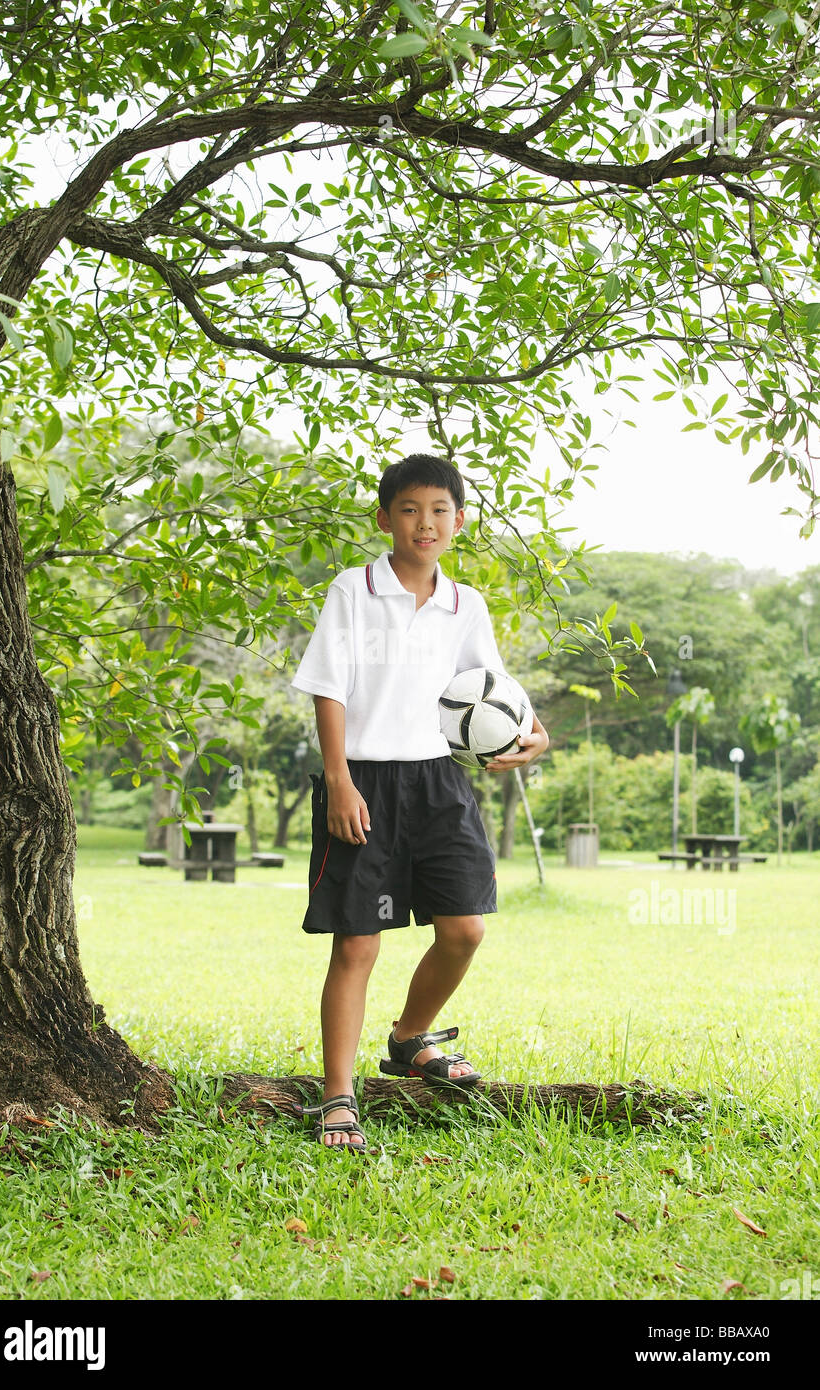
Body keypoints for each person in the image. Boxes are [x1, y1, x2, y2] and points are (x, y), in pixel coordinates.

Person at [289, 453, 549, 1150]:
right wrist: (338, 779)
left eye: (438, 510)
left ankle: (409, 1038)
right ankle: (339, 1098)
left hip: (440, 784)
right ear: (385, 519)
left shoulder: (468, 604)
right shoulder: (353, 589)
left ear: (459, 520)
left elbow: (489, 691)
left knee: (464, 929)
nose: (424, 523)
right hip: (365, 781)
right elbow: (328, 687)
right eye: (409, 510)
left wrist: (532, 731)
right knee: (358, 945)